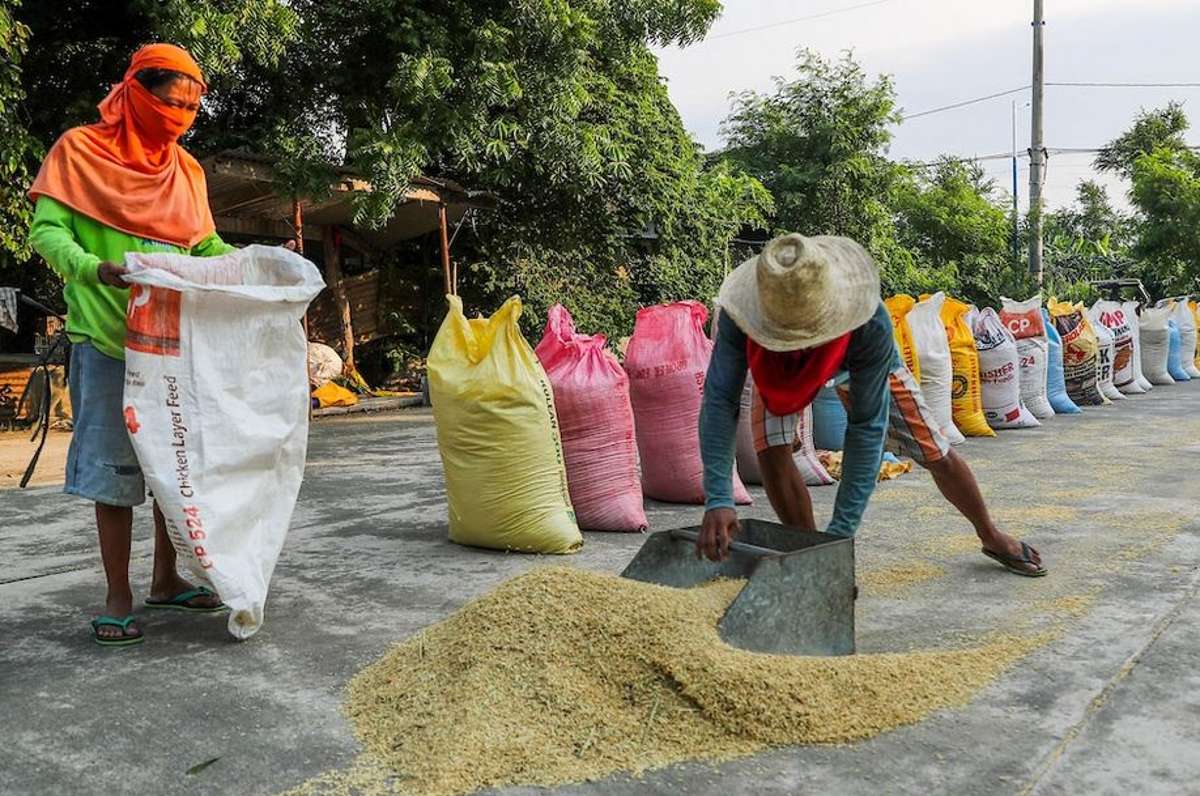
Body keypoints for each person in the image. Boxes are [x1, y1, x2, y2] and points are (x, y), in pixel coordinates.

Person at [29, 44, 238, 646]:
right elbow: (47, 231)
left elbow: (203, 249)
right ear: (137, 94)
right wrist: (95, 268)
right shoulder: (79, 151)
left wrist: (258, 266)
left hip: (173, 341)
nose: (181, 118)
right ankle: (118, 594)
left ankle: (166, 579)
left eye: (192, 110)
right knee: (115, 471)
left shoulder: (187, 171)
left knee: (175, 466)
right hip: (105, 339)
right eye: (172, 104)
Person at [697, 233, 1045, 577]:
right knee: (772, 450)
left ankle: (990, 534)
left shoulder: (868, 321)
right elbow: (719, 401)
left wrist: (842, 532)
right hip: (778, 368)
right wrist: (718, 498)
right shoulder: (742, 313)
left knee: (934, 452)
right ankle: (811, 560)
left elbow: (866, 430)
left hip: (856, 363)